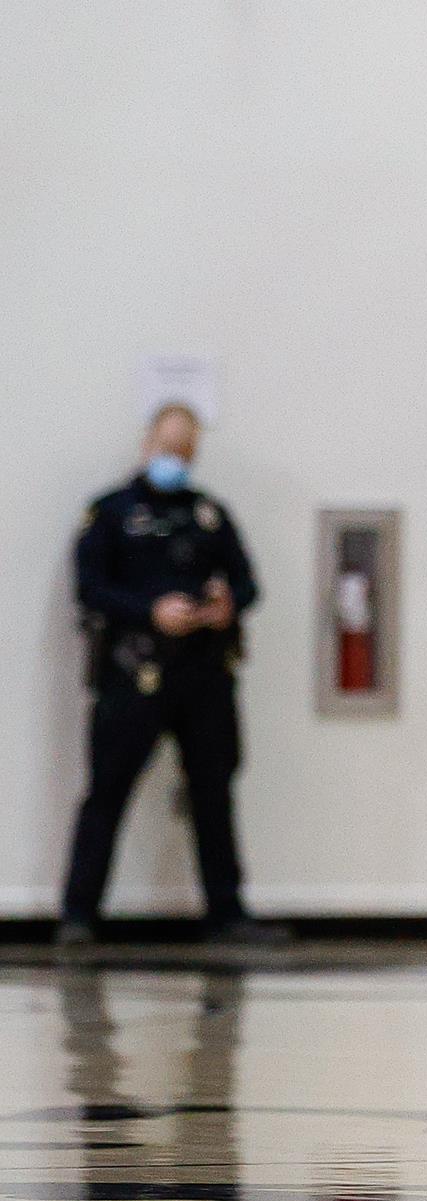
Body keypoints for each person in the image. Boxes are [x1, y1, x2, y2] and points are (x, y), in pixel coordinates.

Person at [60, 404, 286, 948]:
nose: (175, 460)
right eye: (168, 447)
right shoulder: (112, 514)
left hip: (203, 674)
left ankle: (226, 914)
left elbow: (248, 584)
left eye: (185, 451)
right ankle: (79, 916)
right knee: (107, 793)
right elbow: (90, 587)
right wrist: (149, 610)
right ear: (148, 443)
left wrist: (225, 605)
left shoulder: (209, 514)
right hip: (134, 673)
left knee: (213, 792)